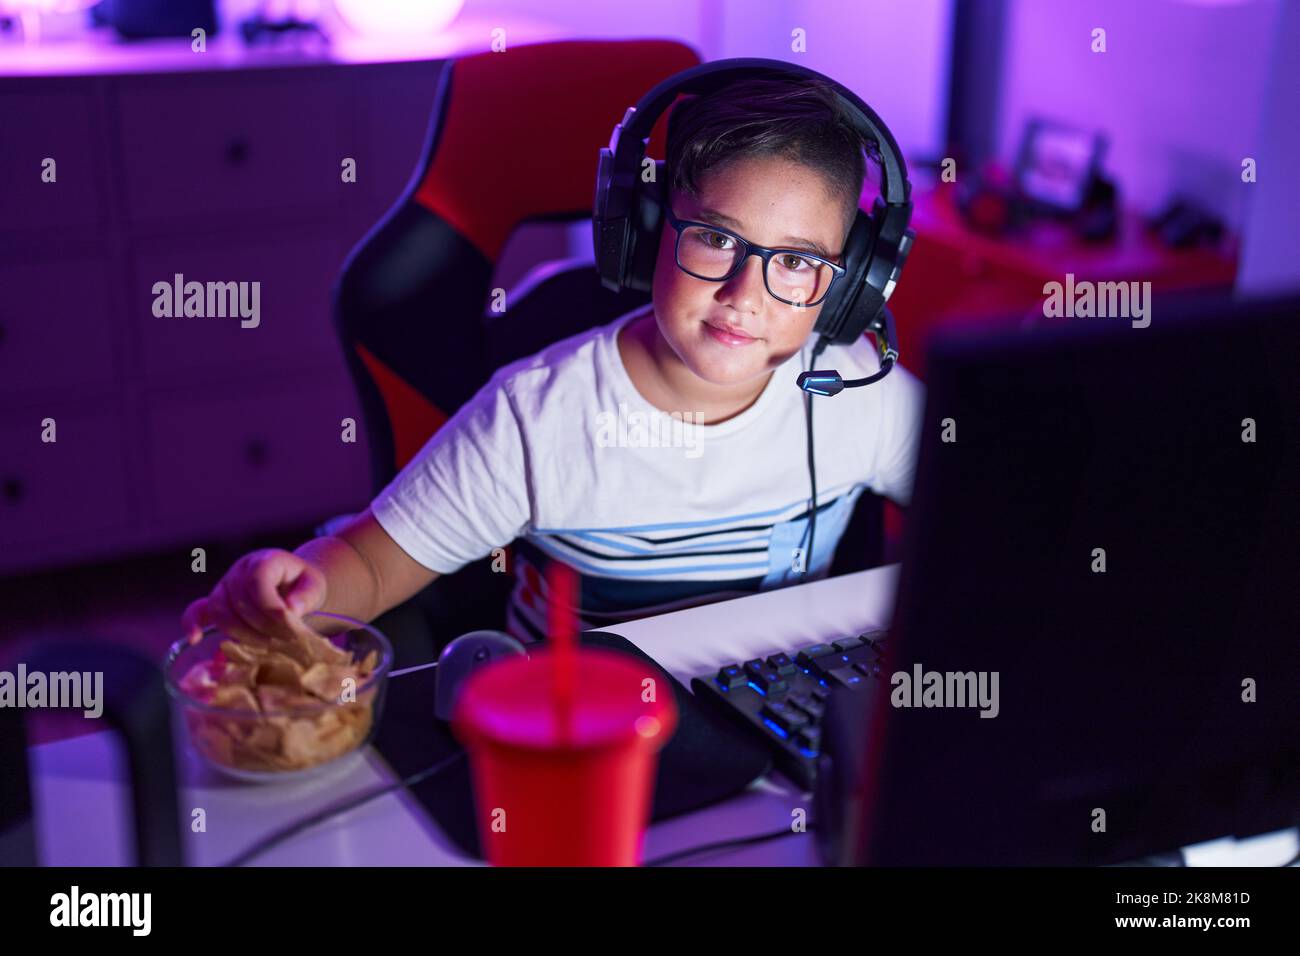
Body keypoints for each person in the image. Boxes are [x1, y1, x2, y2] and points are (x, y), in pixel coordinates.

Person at [182, 75, 924, 647]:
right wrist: (301, 587)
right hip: (570, 738)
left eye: (794, 261)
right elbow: (372, 565)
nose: (744, 294)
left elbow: (997, 502)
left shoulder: (860, 391)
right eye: (717, 238)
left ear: (851, 282)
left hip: (779, 735)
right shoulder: (538, 418)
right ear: (646, 230)